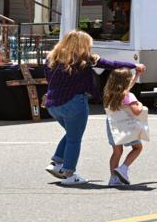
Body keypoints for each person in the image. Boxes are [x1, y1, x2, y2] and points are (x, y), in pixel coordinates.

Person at [44, 30, 139, 186]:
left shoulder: (51, 59)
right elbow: (112, 65)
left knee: (70, 133)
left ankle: (56, 163)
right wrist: (134, 65)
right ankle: (69, 174)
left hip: (53, 105)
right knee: (74, 139)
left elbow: (49, 80)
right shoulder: (85, 60)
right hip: (75, 103)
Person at [103, 66, 149, 186]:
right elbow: (137, 111)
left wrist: (137, 75)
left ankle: (113, 178)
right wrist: (140, 104)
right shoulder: (129, 96)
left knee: (117, 152)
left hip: (113, 125)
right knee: (137, 148)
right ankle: (123, 168)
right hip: (127, 126)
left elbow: (128, 86)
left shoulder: (109, 94)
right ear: (126, 82)